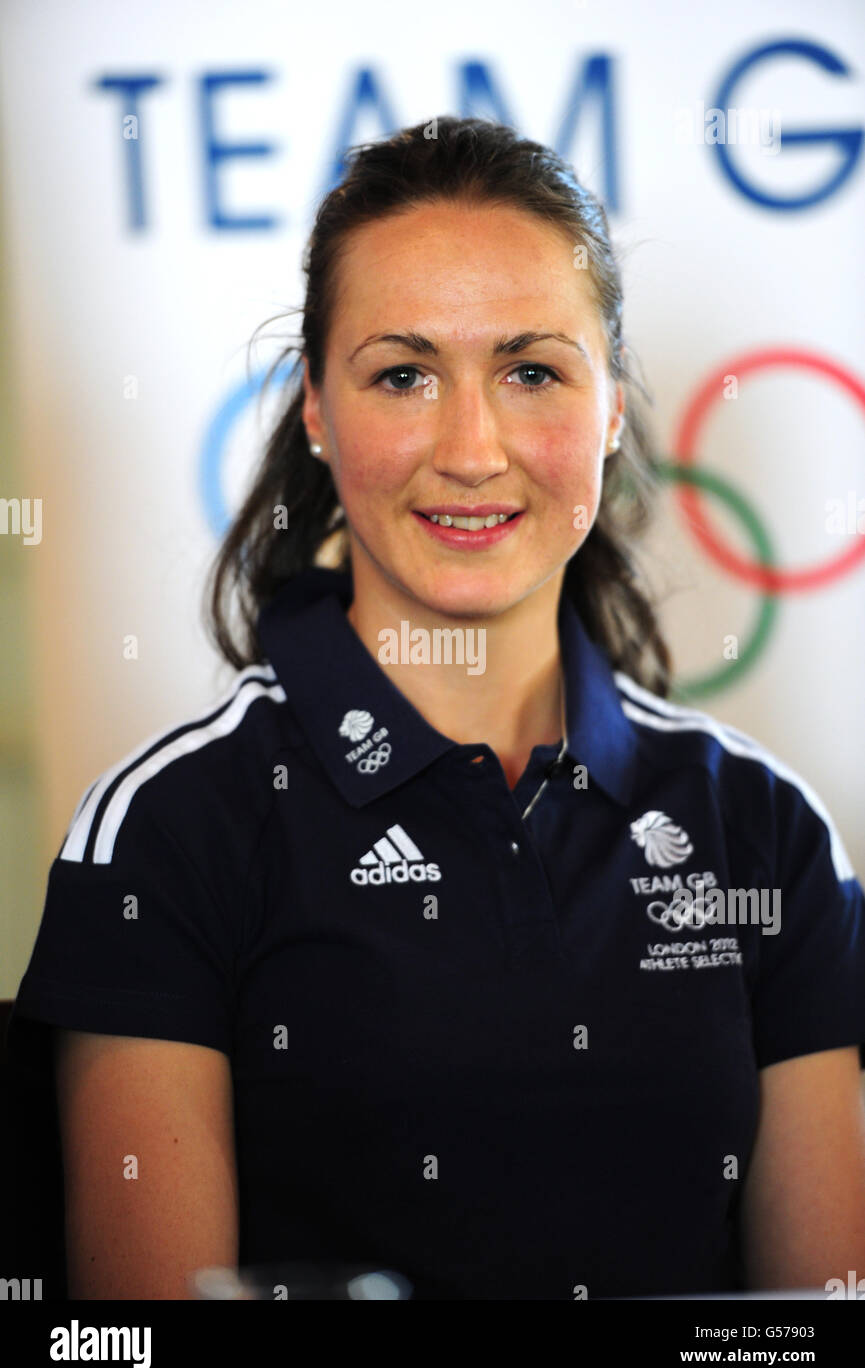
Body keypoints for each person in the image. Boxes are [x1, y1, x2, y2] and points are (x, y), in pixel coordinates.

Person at [7, 116, 865, 1301]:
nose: (471, 448)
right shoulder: (166, 830)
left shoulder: (767, 826)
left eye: (531, 371)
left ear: (611, 406)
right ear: (316, 407)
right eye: (403, 373)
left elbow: (812, 1324)